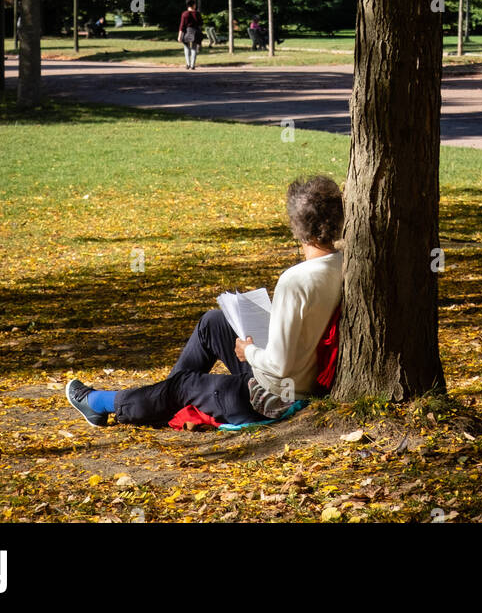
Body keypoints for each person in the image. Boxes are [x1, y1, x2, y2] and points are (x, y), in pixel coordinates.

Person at [66, 176, 344, 429]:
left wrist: (249, 352)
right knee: (214, 322)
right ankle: (163, 399)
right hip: (297, 375)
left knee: (183, 386)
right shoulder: (346, 264)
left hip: (275, 395)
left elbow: (280, 365)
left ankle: (99, 402)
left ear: (296, 227)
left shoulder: (295, 280)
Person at [178, 0, 203, 69]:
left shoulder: (184, 14)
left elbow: (182, 26)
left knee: (186, 47)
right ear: (193, 5)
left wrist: (179, 36)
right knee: (194, 48)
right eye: (195, 4)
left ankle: (188, 64)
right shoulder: (197, 13)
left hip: (187, 32)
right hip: (196, 32)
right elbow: (201, 23)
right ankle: (193, 65)